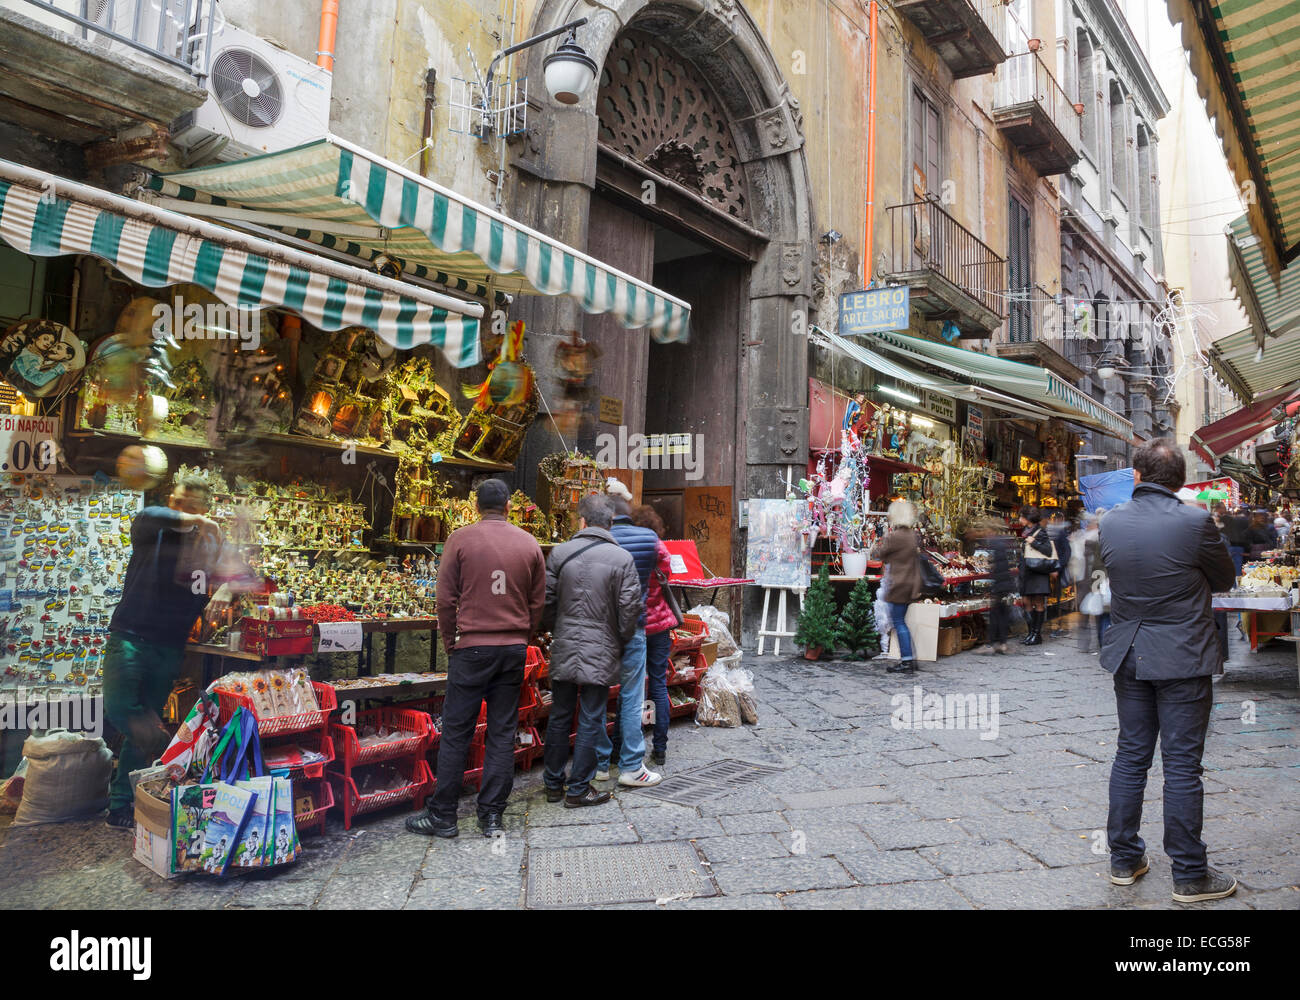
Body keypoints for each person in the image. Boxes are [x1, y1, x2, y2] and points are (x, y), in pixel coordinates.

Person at [1098, 438, 1239, 903]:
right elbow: (1223, 579)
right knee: (1181, 764)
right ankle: (1190, 873)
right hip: (1182, 654)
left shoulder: (1112, 521)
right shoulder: (1195, 521)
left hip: (1130, 654)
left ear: (1136, 477)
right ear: (1179, 482)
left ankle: (1124, 859)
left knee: (1131, 756)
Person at [407, 479, 546, 839]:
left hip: (471, 648)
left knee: (457, 733)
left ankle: (444, 816)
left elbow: (444, 600)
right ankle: (492, 816)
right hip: (512, 649)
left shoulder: (460, 539)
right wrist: (522, 636)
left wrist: (451, 641)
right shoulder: (529, 543)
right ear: (509, 505)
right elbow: (537, 602)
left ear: (475, 505)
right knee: (501, 732)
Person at [104, 473, 229, 828]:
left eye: (191, 506)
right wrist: (197, 519)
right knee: (121, 708)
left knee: (142, 721)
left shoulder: (209, 546)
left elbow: (236, 575)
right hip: (130, 635)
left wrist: (226, 590)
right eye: (177, 502)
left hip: (169, 647)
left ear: (206, 508)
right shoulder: (151, 529)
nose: (180, 511)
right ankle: (172, 752)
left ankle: (121, 803)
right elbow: (151, 516)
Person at [541, 494, 642, 807]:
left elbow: (545, 603)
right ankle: (578, 789)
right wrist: (620, 640)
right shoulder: (622, 559)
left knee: (559, 715)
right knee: (591, 716)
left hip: (565, 643)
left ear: (581, 521)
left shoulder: (559, 553)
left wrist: (555, 630)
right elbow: (629, 611)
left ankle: (553, 785)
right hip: (601, 647)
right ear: (610, 523)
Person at [592, 481, 662, 787]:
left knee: (596, 696)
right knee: (633, 695)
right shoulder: (649, 539)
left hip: (601, 628)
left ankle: (599, 764)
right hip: (634, 627)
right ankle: (632, 765)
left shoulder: (595, 541)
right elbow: (664, 570)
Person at [631, 504, 675, 766]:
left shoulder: (629, 549)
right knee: (658, 683)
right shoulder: (660, 549)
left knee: (632, 686)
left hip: (635, 624)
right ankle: (660, 748)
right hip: (659, 624)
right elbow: (667, 578)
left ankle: (624, 745)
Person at [869, 500, 921, 673]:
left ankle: (907, 661)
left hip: (899, 583)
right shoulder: (911, 535)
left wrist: (875, 547)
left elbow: (879, 554)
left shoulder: (896, 536)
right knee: (900, 621)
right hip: (909, 583)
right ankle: (910, 659)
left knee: (898, 622)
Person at [972, 517, 1016, 655]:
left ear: (991, 530)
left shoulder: (995, 543)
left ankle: (991, 644)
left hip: (1000, 583)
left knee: (995, 614)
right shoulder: (1002, 542)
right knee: (1002, 613)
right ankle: (1002, 643)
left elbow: (999, 565)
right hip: (1005, 582)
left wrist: (991, 567)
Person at [1018, 506, 1055, 646]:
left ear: (1027, 518)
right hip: (1026, 572)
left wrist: (1034, 542)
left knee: (1038, 602)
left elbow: (1048, 550)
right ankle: (1031, 633)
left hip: (1037, 573)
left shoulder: (1041, 532)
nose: (1019, 519)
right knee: (1026, 601)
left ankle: (1036, 634)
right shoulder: (1025, 531)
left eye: (1021, 517)